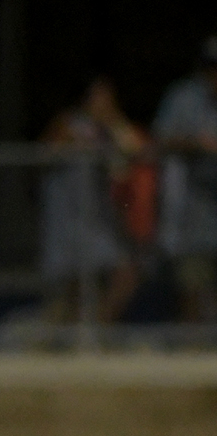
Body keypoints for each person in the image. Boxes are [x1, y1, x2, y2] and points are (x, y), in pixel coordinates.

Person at [41, 78, 149, 325]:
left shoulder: (112, 129)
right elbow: (47, 152)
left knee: (126, 273)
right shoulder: (69, 123)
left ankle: (97, 330)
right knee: (72, 290)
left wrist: (114, 123)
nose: (104, 104)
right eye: (99, 98)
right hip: (67, 219)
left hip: (98, 220)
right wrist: (73, 142)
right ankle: (70, 339)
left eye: (109, 99)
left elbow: (136, 151)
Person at [154, 39, 217, 322]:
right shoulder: (184, 96)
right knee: (192, 284)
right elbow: (159, 139)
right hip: (193, 212)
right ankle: (192, 348)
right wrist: (196, 143)